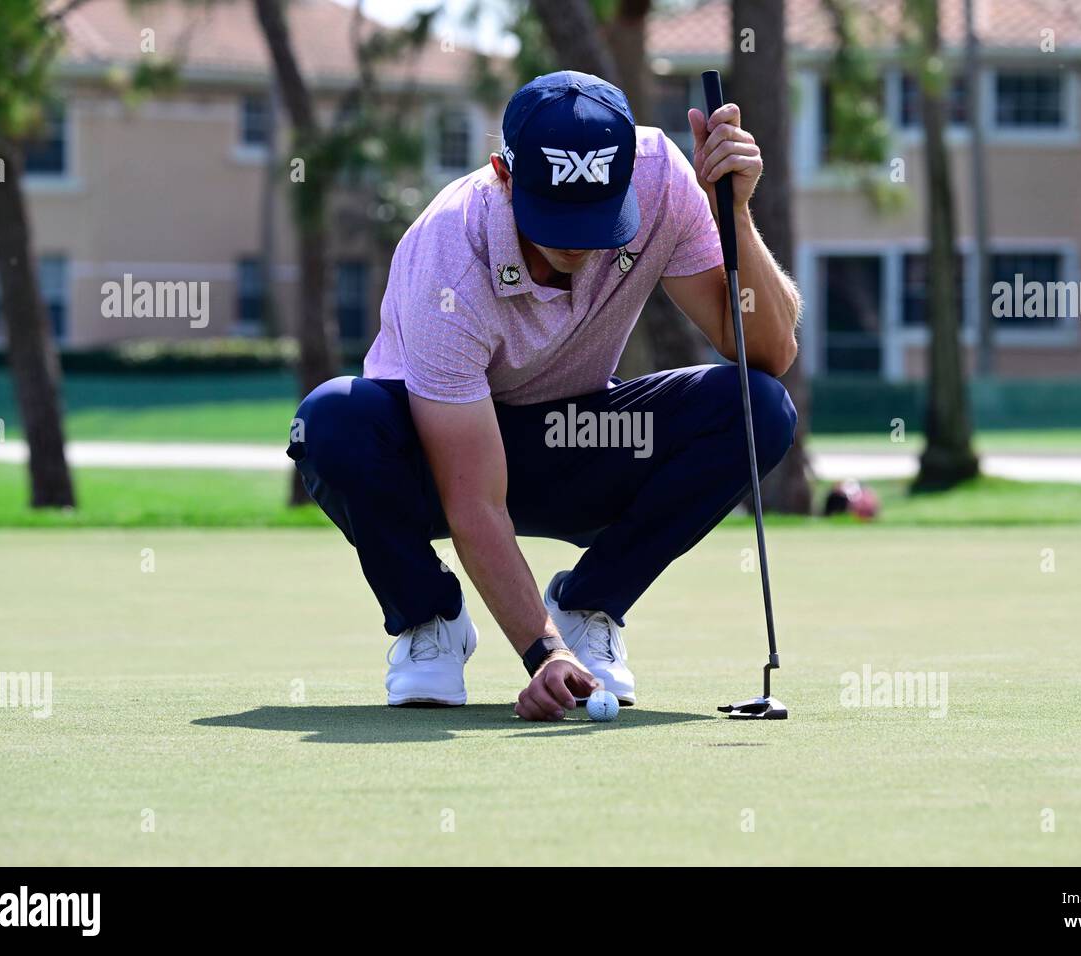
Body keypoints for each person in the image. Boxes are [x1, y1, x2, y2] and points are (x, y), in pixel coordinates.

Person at [287, 71, 800, 722]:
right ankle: (430, 620)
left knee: (760, 407)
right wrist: (542, 653)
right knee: (331, 421)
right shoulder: (449, 256)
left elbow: (767, 351)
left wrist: (738, 212)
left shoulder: (662, 177)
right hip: (426, 455)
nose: (580, 243)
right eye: (558, 220)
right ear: (504, 173)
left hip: (572, 442)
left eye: (596, 219)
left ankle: (590, 604)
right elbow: (473, 502)